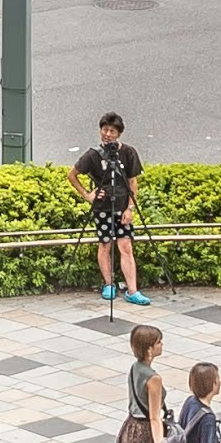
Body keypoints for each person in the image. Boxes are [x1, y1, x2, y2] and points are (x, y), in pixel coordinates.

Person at [75, 113, 146, 304]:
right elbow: (72, 175)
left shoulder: (128, 153)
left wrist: (130, 207)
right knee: (105, 244)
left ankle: (132, 290)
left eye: (112, 131)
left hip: (122, 207)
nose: (107, 134)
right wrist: (87, 195)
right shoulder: (93, 154)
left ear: (119, 134)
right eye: (105, 130)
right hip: (102, 208)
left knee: (126, 246)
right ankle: (108, 284)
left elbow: (133, 182)